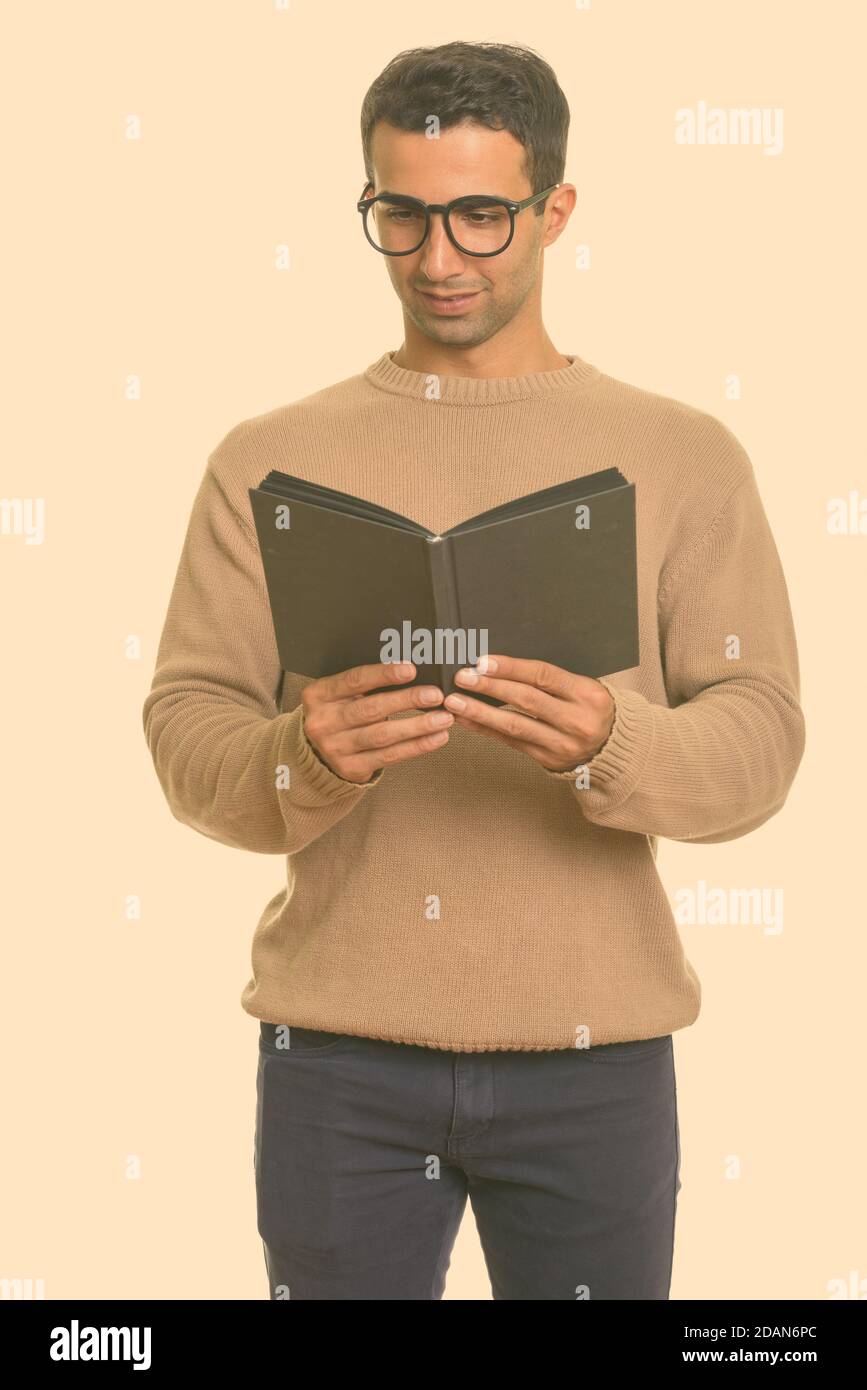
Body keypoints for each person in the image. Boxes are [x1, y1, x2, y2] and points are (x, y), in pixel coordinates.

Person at [142, 40, 806, 1300]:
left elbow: (764, 739)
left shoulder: (685, 455)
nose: (438, 259)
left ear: (557, 210)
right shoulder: (266, 459)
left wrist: (617, 736)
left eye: (481, 216)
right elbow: (185, 726)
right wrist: (302, 754)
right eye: (400, 214)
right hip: (338, 1057)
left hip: (598, 1056)